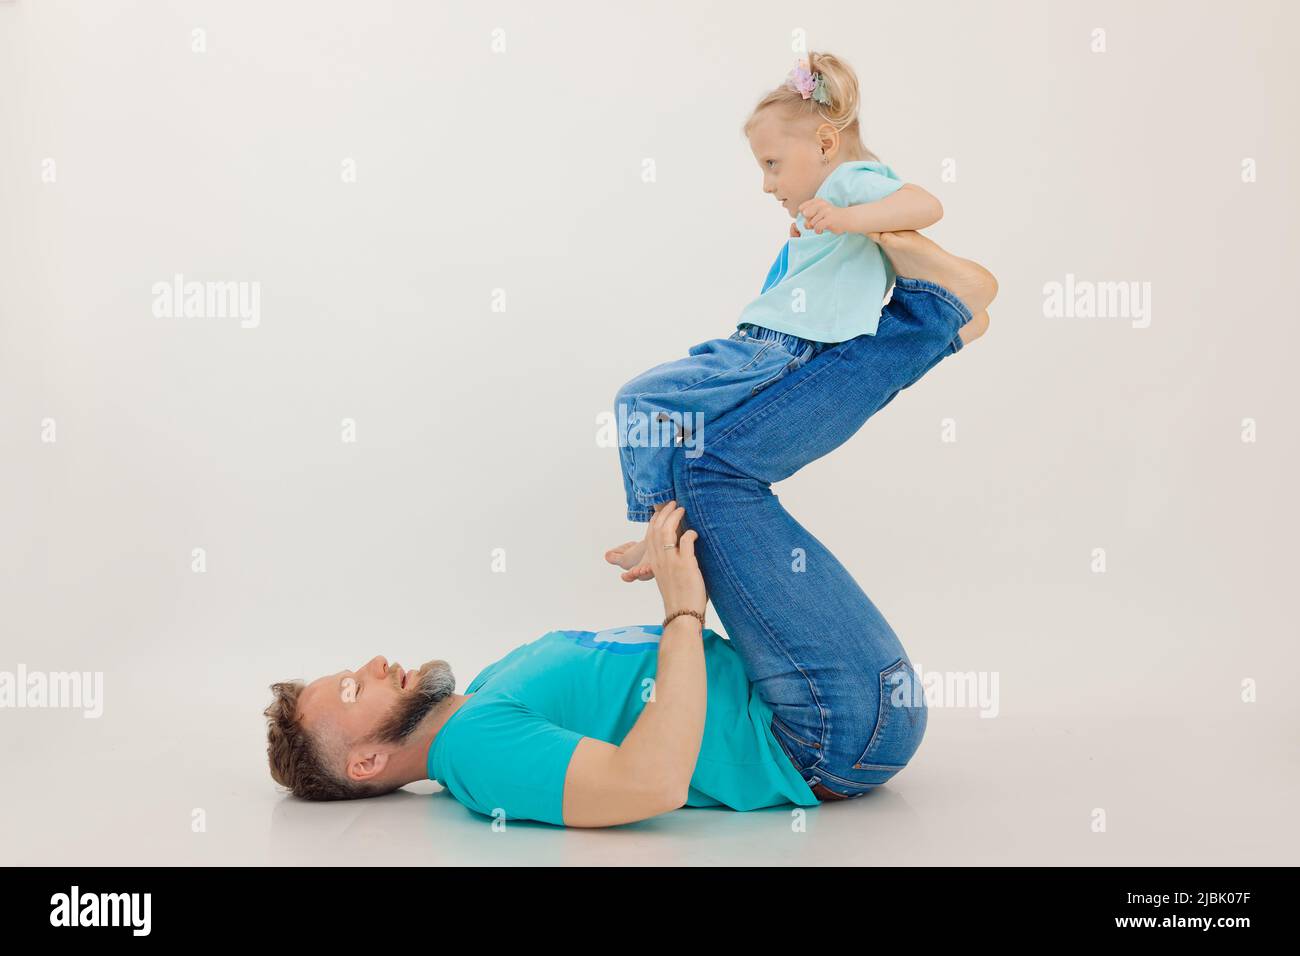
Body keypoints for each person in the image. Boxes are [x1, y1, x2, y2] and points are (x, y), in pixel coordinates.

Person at [263, 230, 992, 822]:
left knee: (692, 455)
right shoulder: (478, 751)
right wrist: (682, 612)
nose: (371, 667)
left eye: (349, 673)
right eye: (354, 693)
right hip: (826, 729)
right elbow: (648, 786)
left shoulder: (484, 696)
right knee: (708, 470)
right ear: (366, 764)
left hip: (835, 703)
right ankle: (930, 321)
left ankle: (908, 319)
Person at [607, 49, 994, 548]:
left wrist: (847, 217)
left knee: (641, 401)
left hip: (775, 346)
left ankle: (658, 532)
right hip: (777, 344)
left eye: (773, 165)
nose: (768, 184)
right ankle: (952, 330)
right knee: (693, 434)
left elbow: (927, 204)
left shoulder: (850, 183)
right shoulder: (827, 206)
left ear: (826, 143)